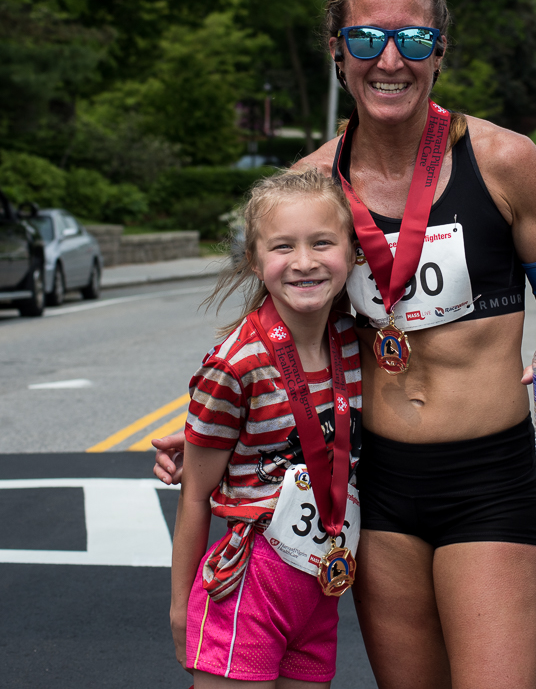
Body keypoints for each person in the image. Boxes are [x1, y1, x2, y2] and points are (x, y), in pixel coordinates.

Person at [155, 0, 536, 689]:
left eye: (414, 42)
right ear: (338, 52)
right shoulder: (313, 182)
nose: (390, 61)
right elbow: (278, 336)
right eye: (366, 40)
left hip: (487, 474)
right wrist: (217, 428)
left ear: (439, 54)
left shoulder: (505, 162)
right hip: (373, 479)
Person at [169, 169, 361, 688]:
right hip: (248, 582)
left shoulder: (352, 340)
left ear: (352, 250)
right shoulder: (235, 365)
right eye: (282, 247)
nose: (304, 261)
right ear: (255, 260)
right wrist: (179, 603)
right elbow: (194, 494)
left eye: (323, 242)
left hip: (319, 582)